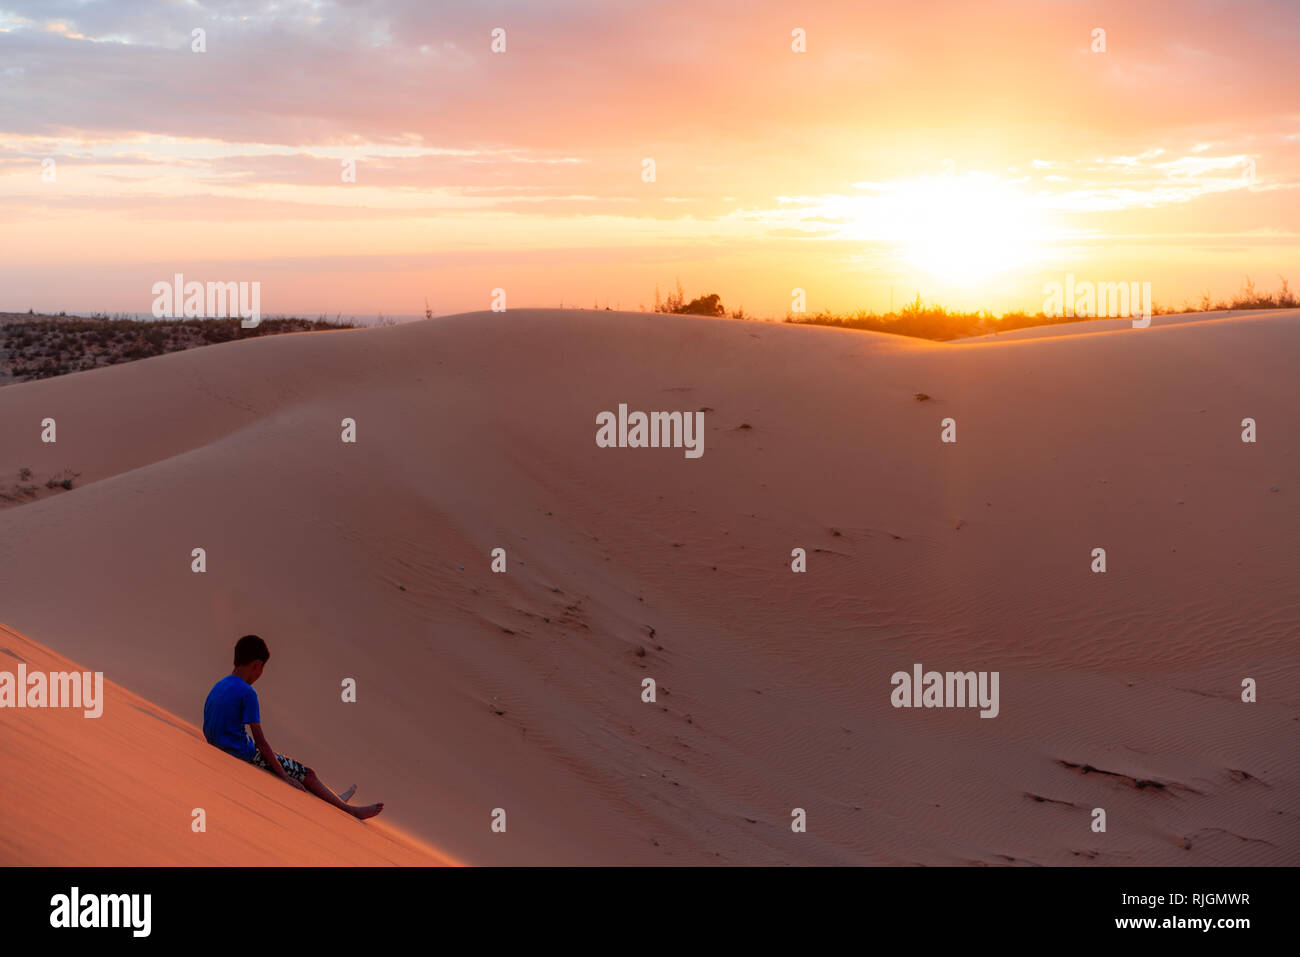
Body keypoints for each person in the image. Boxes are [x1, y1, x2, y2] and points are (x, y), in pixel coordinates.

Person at [202, 634, 383, 820]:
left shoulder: (220, 684)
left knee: (296, 769)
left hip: (220, 745)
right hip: (244, 753)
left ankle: (336, 798)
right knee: (307, 774)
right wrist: (284, 776)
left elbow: (208, 721)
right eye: (263, 668)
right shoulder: (248, 693)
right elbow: (261, 742)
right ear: (257, 665)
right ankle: (350, 810)